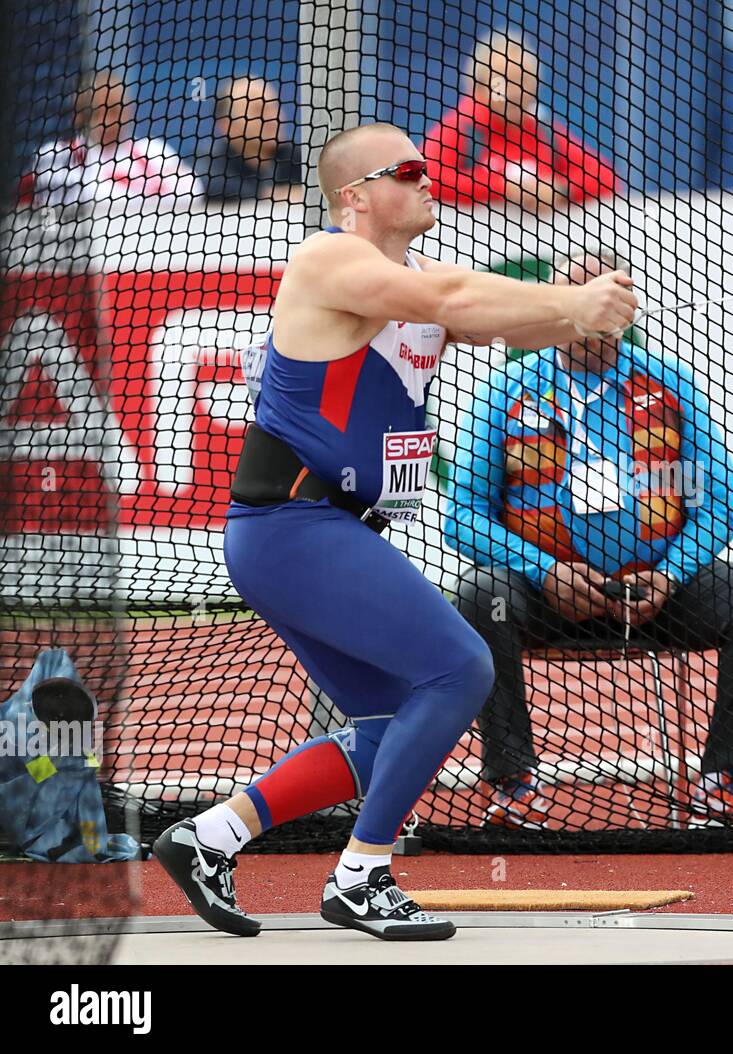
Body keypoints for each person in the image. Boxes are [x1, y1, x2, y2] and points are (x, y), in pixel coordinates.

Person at [151, 122, 637, 941]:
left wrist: (582, 313)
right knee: (458, 671)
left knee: (385, 730)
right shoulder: (330, 259)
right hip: (294, 525)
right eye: (406, 170)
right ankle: (361, 874)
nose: (426, 178)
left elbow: (502, 319)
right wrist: (570, 303)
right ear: (356, 196)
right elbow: (454, 303)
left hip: (325, 533)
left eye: (426, 167)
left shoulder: (412, 277)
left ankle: (208, 837)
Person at [445, 251, 733, 828]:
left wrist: (669, 574)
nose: (590, 310)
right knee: (483, 596)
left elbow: (715, 508)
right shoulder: (506, 390)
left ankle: (727, 780)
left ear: (628, 310)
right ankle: (513, 785)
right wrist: (544, 572)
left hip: (657, 600)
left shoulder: (670, 387)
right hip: (545, 599)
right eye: (574, 294)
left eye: (605, 295)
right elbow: (463, 515)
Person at [420, 28, 621, 213]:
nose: (515, 92)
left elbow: (605, 177)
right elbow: (426, 178)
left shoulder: (544, 131)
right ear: (479, 86)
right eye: (502, 81)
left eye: (523, 80)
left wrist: (559, 189)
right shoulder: (462, 127)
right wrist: (502, 187)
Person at [17, 70, 203, 213]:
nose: (107, 121)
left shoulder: (153, 151)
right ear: (78, 116)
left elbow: (193, 190)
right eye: (97, 113)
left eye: (114, 111)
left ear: (128, 111)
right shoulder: (54, 157)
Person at [200, 76, 304, 203]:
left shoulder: (302, 159)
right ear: (228, 125)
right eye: (259, 111)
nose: (273, 117)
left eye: (274, 107)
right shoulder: (208, 167)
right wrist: (269, 197)